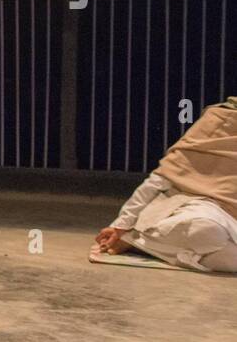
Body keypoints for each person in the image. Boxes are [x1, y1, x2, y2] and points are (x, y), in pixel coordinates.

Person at [94, 98, 237, 273]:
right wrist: (121, 225)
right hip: (188, 209)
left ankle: (144, 246)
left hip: (231, 221)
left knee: (227, 255)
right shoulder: (208, 134)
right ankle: (135, 239)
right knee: (207, 230)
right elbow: (155, 183)